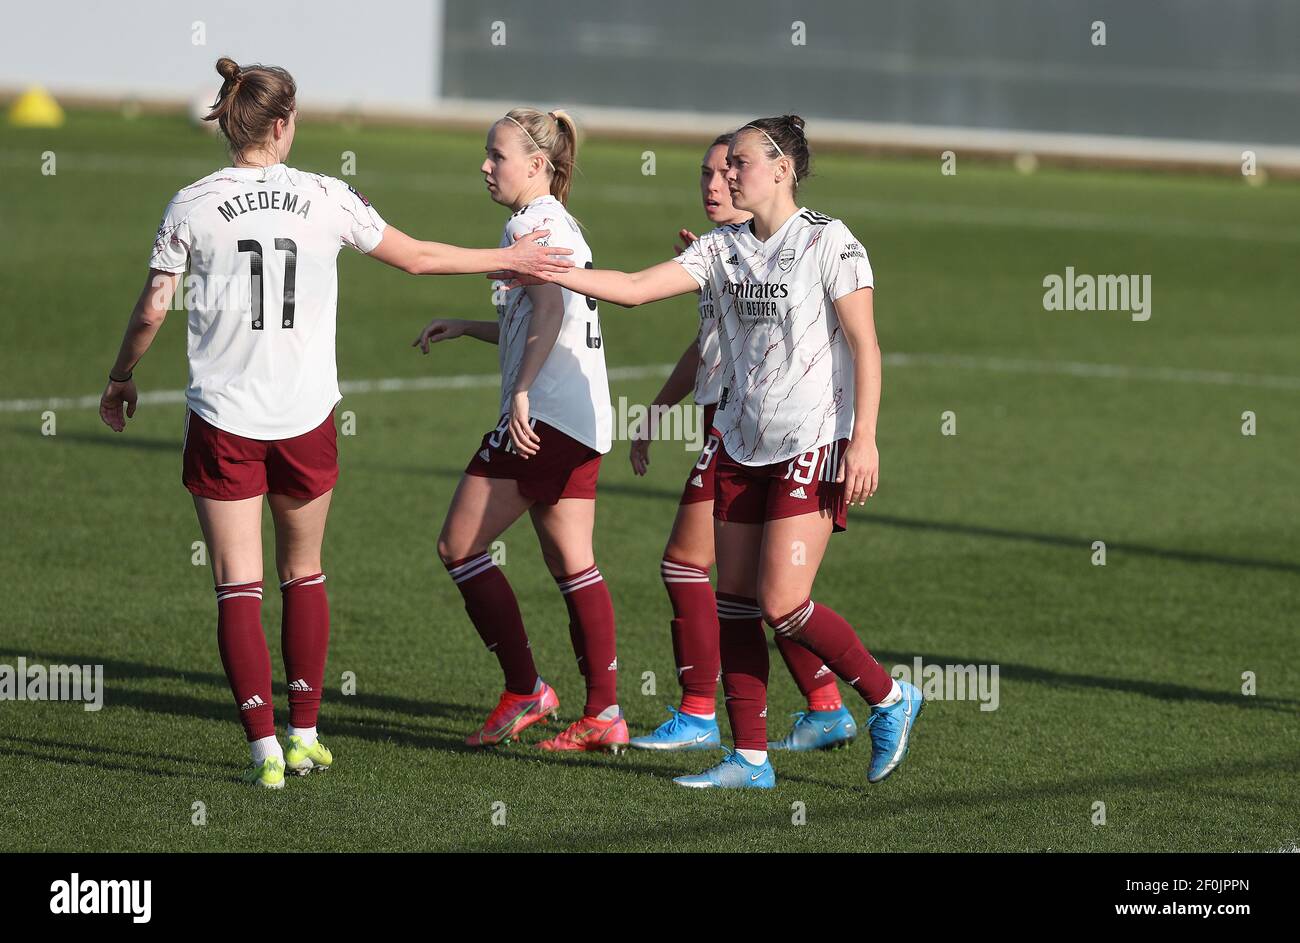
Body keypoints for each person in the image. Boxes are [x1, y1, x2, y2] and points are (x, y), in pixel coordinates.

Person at [99, 59, 574, 789]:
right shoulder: (327, 196)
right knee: (305, 572)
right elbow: (416, 259)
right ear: (285, 125)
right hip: (307, 419)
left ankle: (263, 751)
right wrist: (507, 256)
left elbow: (154, 308)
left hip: (225, 419)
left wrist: (122, 375)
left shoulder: (190, 203)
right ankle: (305, 731)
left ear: (231, 122)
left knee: (237, 585)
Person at [497, 115, 924, 789]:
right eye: (724, 168)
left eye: (740, 165)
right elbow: (637, 289)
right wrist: (555, 269)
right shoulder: (722, 248)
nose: (726, 175)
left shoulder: (829, 242)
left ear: (783, 170)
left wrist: (863, 437)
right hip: (740, 443)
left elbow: (866, 345)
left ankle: (892, 697)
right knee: (733, 603)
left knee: (783, 602)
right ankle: (749, 757)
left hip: (812, 441)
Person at [627, 133, 856, 754]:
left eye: (729, 170)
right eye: (707, 173)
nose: (715, 184)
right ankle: (822, 704)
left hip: (758, 431)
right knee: (758, 587)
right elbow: (705, 346)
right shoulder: (721, 253)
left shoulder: (778, 248)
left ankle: (702, 711)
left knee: (693, 566)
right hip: (734, 426)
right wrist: (658, 408)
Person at [413, 108, 627, 753]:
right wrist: (471, 326)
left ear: (537, 164)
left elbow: (553, 307)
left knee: (459, 547)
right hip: (582, 418)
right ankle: (605, 712)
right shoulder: (556, 223)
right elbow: (537, 316)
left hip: (548, 418)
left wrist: (524, 393)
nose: (485, 165)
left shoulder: (531, 225)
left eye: (496, 155)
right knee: (574, 565)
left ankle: (526, 688)